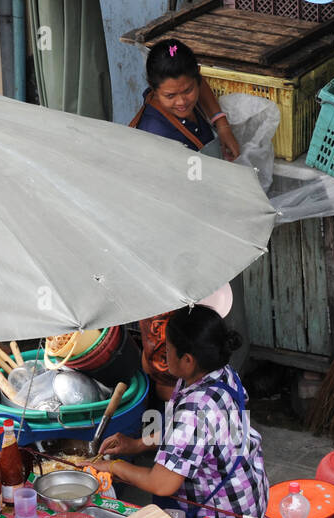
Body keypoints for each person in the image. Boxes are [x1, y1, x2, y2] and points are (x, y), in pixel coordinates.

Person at [129, 40, 246, 401]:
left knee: (202, 327)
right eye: (170, 96)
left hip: (197, 235)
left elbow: (201, 89)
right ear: (153, 92)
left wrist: (220, 123)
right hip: (165, 245)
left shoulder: (190, 95)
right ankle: (172, 423)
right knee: (169, 342)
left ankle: (212, 402)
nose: (182, 101)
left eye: (188, 90)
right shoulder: (155, 135)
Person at [99, 305, 268, 518]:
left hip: (225, 516)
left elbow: (161, 483)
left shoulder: (195, 409)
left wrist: (113, 466)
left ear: (187, 360)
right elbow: (185, 439)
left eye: (167, 349)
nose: (164, 355)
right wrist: (135, 445)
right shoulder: (221, 374)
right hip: (248, 490)